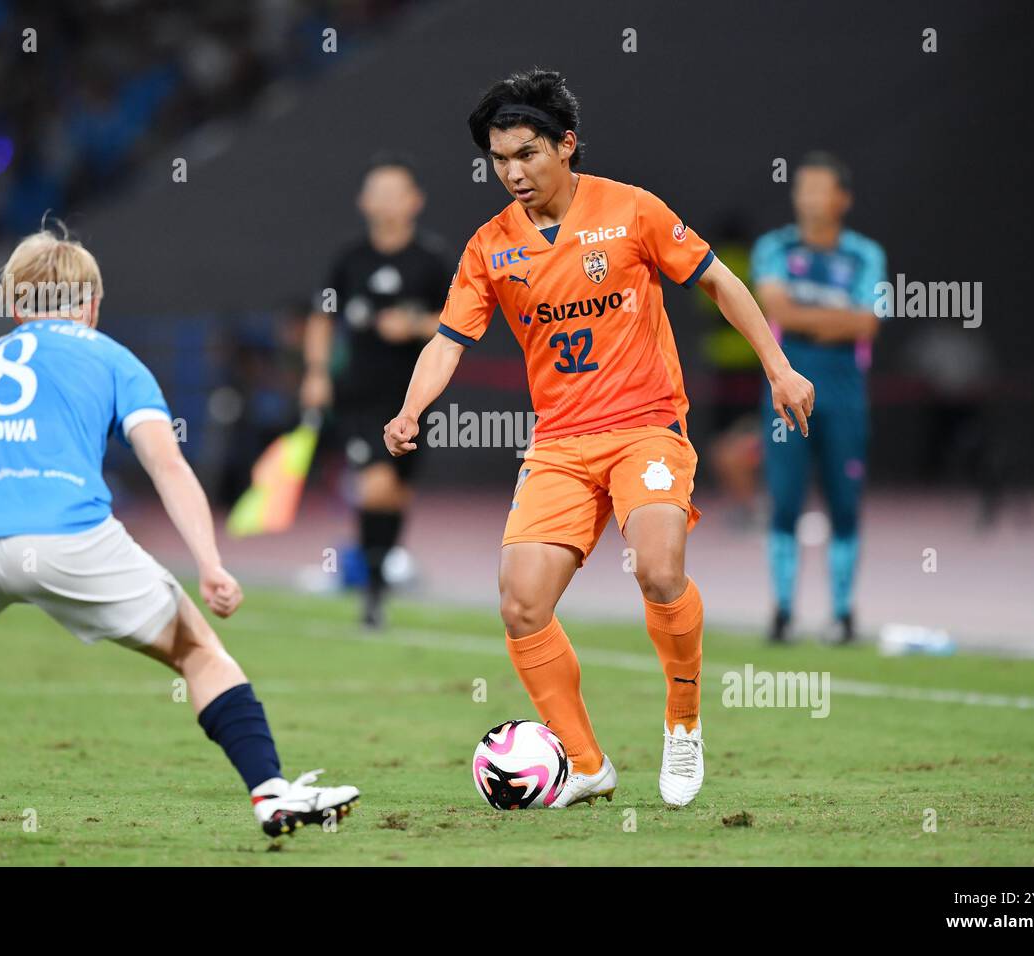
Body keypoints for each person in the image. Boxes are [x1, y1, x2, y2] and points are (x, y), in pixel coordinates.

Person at [0, 227, 358, 851]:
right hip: (68, 536)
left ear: (17, 305)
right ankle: (271, 792)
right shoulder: (112, 358)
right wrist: (210, 562)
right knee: (199, 653)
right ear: (92, 305)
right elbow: (166, 465)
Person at [384, 70, 815, 808]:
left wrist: (778, 366)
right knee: (521, 604)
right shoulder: (490, 247)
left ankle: (683, 726)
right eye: (499, 160)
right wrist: (411, 407)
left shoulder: (632, 210)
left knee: (656, 568)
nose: (513, 173)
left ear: (566, 145)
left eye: (526, 154)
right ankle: (587, 765)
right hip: (558, 442)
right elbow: (449, 340)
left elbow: (719, 282)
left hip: (646, 425)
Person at [300, 154, 453, 628]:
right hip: (360, 398)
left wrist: (411, 324)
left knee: (396, 494)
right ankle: (371, 590)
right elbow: (322, 319)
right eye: (378, 193)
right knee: (374, 485)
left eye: (396, 193)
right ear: (363, 202)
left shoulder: (431, 260)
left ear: (415, 202)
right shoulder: (350, 260)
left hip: (414, 397)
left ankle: (379, 581)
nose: (386, 202)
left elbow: (456, 323)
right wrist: (317, 372)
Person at [750, 153, 887, 644]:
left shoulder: (866, 254)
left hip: (845, 388)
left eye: (819, 188)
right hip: (787, 384)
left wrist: (808, 315)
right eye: (801, 188)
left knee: (845, 502)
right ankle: (783, 612)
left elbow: (868, 323)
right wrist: (837, 317)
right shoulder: (774, 248)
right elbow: (776, 307)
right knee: (785, 500)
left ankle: (844, 615)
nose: (807, 197)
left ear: (842, 199)